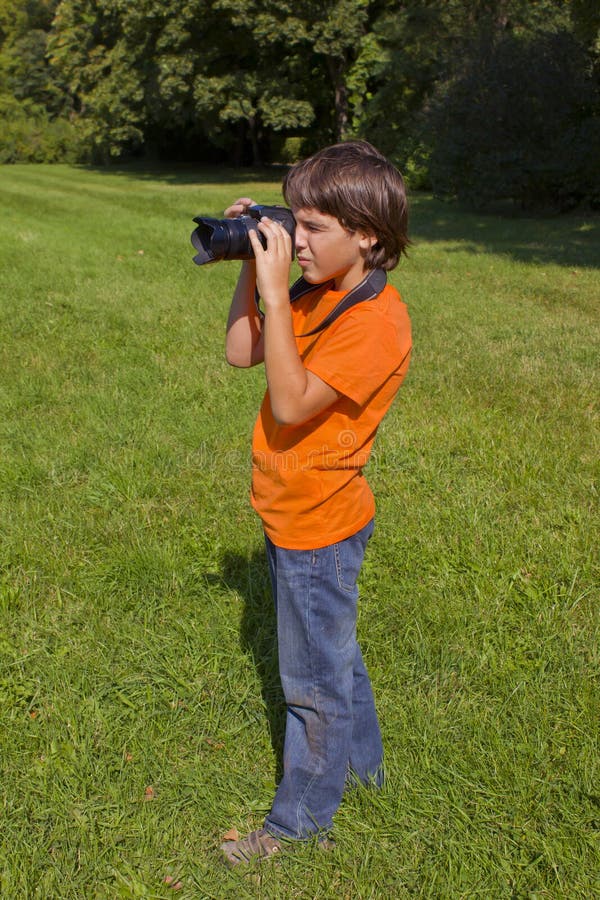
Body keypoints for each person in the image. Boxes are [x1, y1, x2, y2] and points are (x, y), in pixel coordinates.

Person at [220, 140, 412, 865]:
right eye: (290, 222)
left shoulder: (375, 321)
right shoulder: (316, 288)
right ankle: (364, 774)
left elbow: (292, 401)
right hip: (292, 510)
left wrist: (276, 292)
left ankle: (298, 824)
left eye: (313, 228)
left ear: (366, 235)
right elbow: (243, 353)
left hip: (319, 524)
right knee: (336, 660)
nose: (295, 242)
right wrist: (252, 270)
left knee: (312, 685)